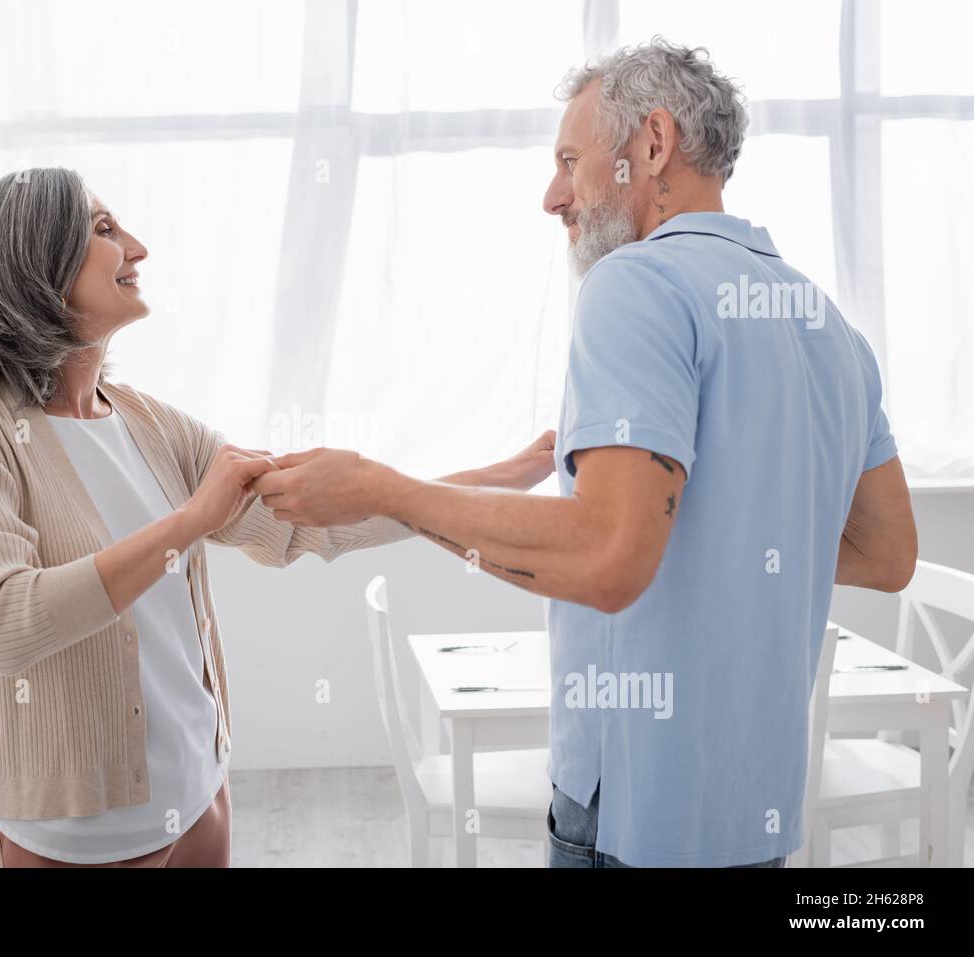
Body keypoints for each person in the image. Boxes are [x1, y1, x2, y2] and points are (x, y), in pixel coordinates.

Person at [250, 38, 918, 867]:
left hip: (637, 821)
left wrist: (386, 489)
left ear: (653, 144)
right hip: (760, 815)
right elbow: (889, 554)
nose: (552, 195)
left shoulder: (635, 284)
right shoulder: (830, 327)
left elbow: (608, 559)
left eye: (570, 159)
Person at [0, 167, 557, 867]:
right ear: (36, 268)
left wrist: (502, 479)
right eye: (103, 230)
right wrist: (188, 522)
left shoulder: (146, 421)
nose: (137, 247)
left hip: (199, 796)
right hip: (78, 834)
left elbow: (312, 523)